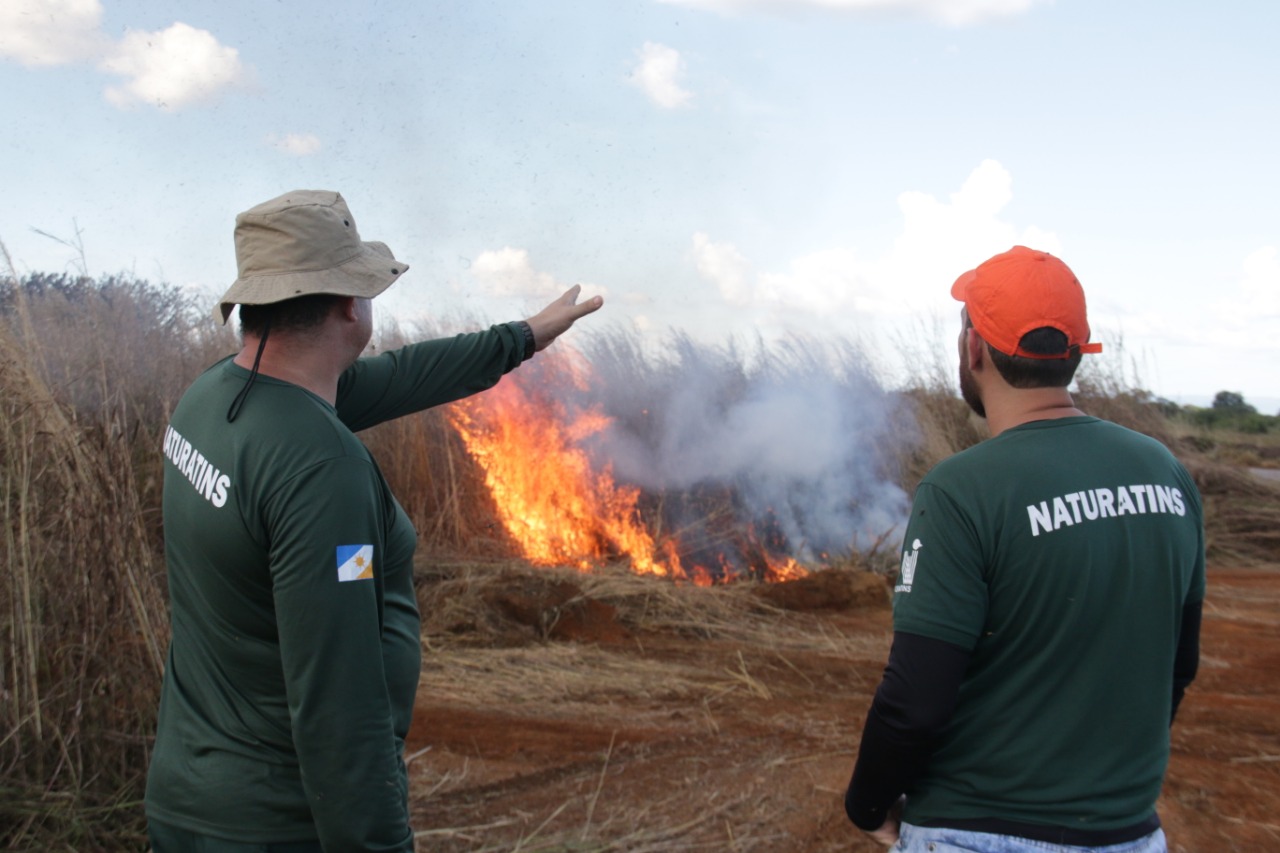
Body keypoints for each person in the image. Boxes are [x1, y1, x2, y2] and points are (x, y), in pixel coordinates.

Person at [145, 189, 602, 851]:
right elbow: (340, 711)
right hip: (276, 826)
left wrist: (523, 337)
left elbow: (402, 375)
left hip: (191, 798)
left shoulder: (215, 396)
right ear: (346, 304)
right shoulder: (319, 468)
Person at [844, 246, 1204, 852]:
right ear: (1074, 355)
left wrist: (866, 803)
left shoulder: (961, 490)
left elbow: (916, 701)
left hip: (979, 830)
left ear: (974, 349)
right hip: (1129, 833)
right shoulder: (1165, 472)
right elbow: (1180, 662)